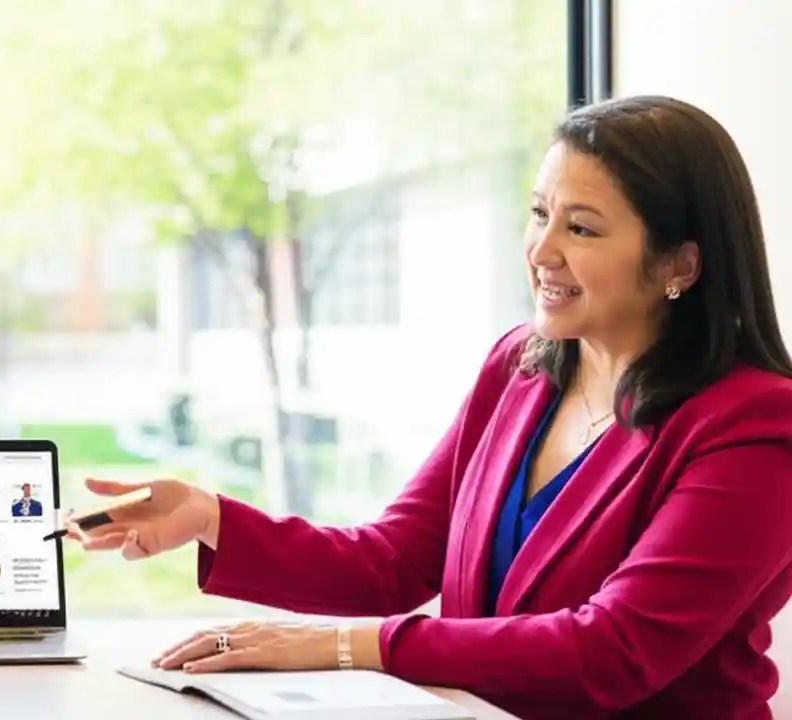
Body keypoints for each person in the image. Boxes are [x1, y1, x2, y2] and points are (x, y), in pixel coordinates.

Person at [69, 96, 792, 720]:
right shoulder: (521, 370)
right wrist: (209, 516)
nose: (541, 249)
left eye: (582, 228)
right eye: (539, 213)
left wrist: (346, 649)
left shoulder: (756, 428)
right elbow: (394, 561)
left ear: (679, 265)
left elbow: (614, 650)